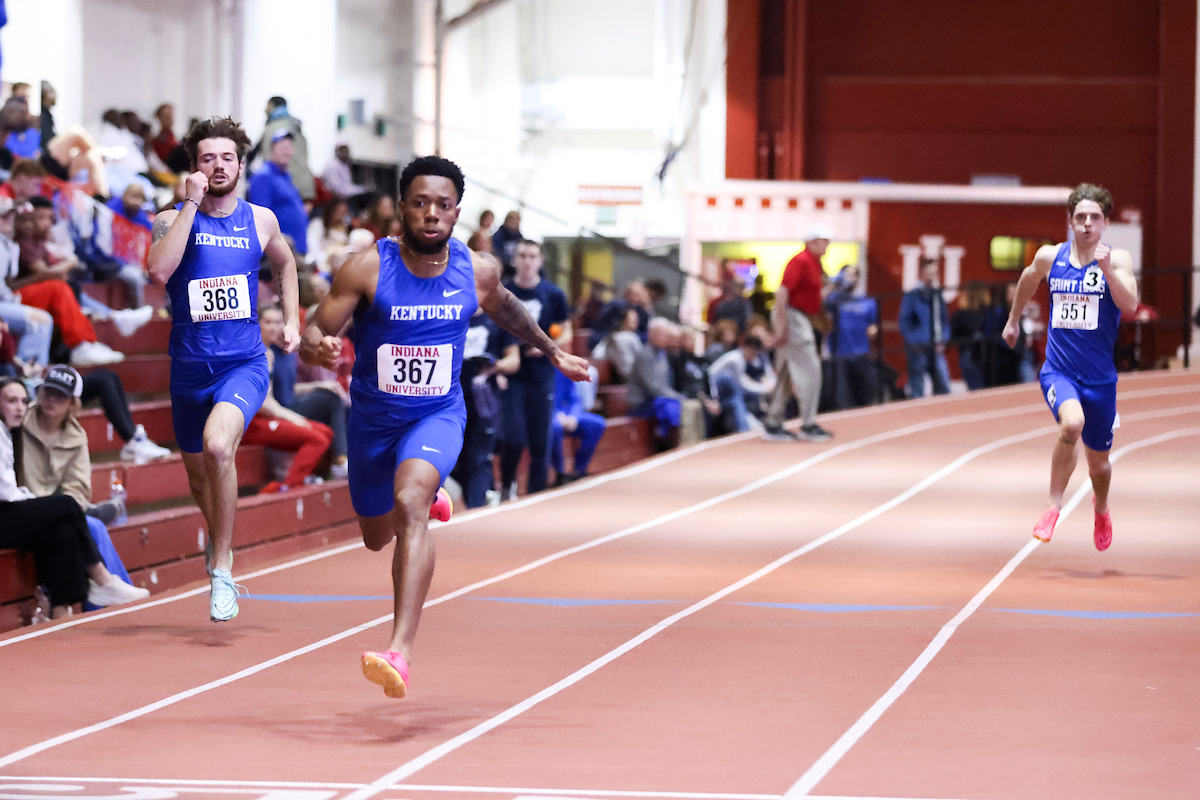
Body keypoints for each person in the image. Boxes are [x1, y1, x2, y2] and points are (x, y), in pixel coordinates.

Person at [299, 155, 589, 699]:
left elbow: (506, 309)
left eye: (443, 205)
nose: (431, 214)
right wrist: (319, 345)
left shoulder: (476, 270)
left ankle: (399, 651)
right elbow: (316, 332)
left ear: (457, 212)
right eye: (420, 203)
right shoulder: (367, 267)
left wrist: (551, 351)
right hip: (372, 421)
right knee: (374, 535)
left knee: (408, 501)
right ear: (403, 208)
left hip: (437, 414)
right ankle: (424, 499)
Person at [146, 116, 300, 622]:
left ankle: (222, 565)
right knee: (198, 479)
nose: (218, 166)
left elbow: (285, 262)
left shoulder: (260, 219)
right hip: (189, 368)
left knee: (218, 445)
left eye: (227, 157)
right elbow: (158, 269)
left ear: (241, 165)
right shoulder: (172, 218)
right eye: (207, 158)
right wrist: (189, 202)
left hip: (244, 363)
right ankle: (221, 549)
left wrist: (293, 317)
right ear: (195, 167)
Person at [1003, 183, 1138, 551]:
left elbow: (1130, 305)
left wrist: (1107, 270)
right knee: (1071, 423)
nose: (1087, 224)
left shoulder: (1118, 260)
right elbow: (1029, 278)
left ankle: (1102, 507)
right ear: (1071, 222)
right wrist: (1013, 320)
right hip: (1059, 371)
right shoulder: (1052, 256)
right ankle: (1053, 506)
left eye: (1095, 218)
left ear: (1105, 223)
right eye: (1080, 217)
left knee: (1100, 467)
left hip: (1100, 381)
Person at [0, 376, 148, 620]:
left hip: (26, 508)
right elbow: (5, 491)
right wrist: (41, 503)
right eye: (11, 401)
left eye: (22, 401)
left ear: (73, 403)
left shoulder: (69, 436)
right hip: (15, 507)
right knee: (66, 509)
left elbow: (77, 486)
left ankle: (61, 612)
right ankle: (102, 579)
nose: (19, 407)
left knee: (65, 527)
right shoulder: (19, 425)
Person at [497, 239, 571, 499]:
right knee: (513, 436)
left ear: (540, 261)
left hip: (541, 376)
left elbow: (565, 331)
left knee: (541, 439)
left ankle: (537, 494)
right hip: (512, 376)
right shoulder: (503, 291)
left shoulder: (552, 294)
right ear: (515, 260)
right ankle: (507, 486)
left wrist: (547, 347)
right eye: (522, 255)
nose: (527, 261)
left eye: (533, 256)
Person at [764, 224, 833, 442]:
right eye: (824, 241)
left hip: (800, 317)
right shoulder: (801, 261)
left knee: (787, 369)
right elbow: (783, 293)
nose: (827, 245)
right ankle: (808, 423)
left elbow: (810, 296)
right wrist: (781, 327)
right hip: (793, 316)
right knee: (811, 370)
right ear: (812, 241)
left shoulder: (813, 263)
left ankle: (773, 421)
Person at [451, 308, 518, 508]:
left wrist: (494, 367)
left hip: (483, 402)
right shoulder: (450, 316)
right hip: (452, 400)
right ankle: (479, 495)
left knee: (478, 457)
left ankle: (476, 507)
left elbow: (514, 360)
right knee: (456, 458)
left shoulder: (497, 319)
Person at [824, 265, 879, 409]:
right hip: (840, 355)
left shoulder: (867, 302)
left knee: (865, 397)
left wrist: (873, 331)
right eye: (848, 275)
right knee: (842, 399)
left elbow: (873, 325)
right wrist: (833, 285)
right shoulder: (834, 299)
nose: (851, 279)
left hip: (862, 354)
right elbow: (821, 308)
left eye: (854, 275)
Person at [247, 129, 308, 258]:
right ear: (271, 150)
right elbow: (260, 218)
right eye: (282, 147)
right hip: (278, 255)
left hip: (295, 252)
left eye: (289, 147)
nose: (287, 151)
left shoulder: (286, 177)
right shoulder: (264, 177)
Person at [899, 257, 951, 398]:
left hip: (935, 346)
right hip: (918, 348)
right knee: (917, 387)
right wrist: (914, 341)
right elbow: (904, 322)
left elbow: (944, 319)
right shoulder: (913, 295)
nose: (932, 276)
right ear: (922, 272)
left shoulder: (937, 295)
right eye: (929, 272)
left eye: (934, 273)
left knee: (943, 384)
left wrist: (943, 339)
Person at [709, 334, 775, 432]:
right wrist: (714, 398)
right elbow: (742, 384)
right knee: (737, 399)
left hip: (725, 389)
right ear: (746, 348)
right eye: (753, 352)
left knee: (742, 397)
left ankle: (754, 423)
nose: (754, 356)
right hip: (718, 388)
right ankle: (743, 429)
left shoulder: (740, 359)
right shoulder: (736, 360)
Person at [549, 370, 606, 485]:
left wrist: (574, 417)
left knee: (597, 424)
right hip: (546, 416)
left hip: (567, 414)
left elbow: (575, 399)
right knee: (554, 428)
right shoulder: (538, 369)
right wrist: (556, 416)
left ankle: (579, 470)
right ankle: (560, 473)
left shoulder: (562, 371)